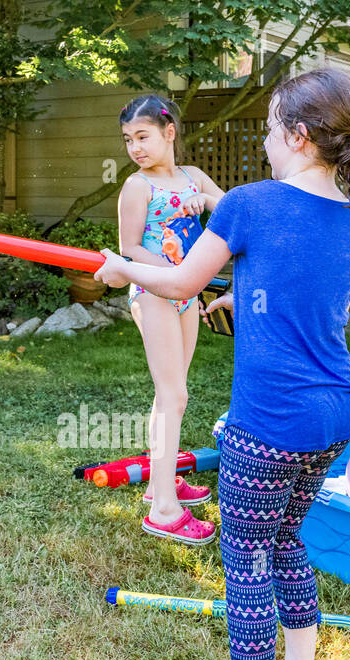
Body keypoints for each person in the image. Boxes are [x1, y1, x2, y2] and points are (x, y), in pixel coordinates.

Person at [96, 68, 350, 660]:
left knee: (247, 555)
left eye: (271, 130)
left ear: (300, 137)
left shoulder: (251, 203)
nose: (266, 144)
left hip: (270, 423)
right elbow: (306, 298)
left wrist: (123, 269)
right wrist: (238, 299)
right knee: (286, 541)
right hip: (335, 415)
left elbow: (181, 280)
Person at [116, 94, 226, 544]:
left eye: (142, 136)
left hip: (186, 293)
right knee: (173, 393)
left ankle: (162, 478)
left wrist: (203, 199)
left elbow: (231, 210)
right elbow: (129, 251)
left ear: (169, 132)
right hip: (155, 291)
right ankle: (163, 508)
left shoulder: (192, 177)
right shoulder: (136, 186)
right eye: (128, 140)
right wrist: (178, 275)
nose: (135, 147)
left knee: (171, 393)